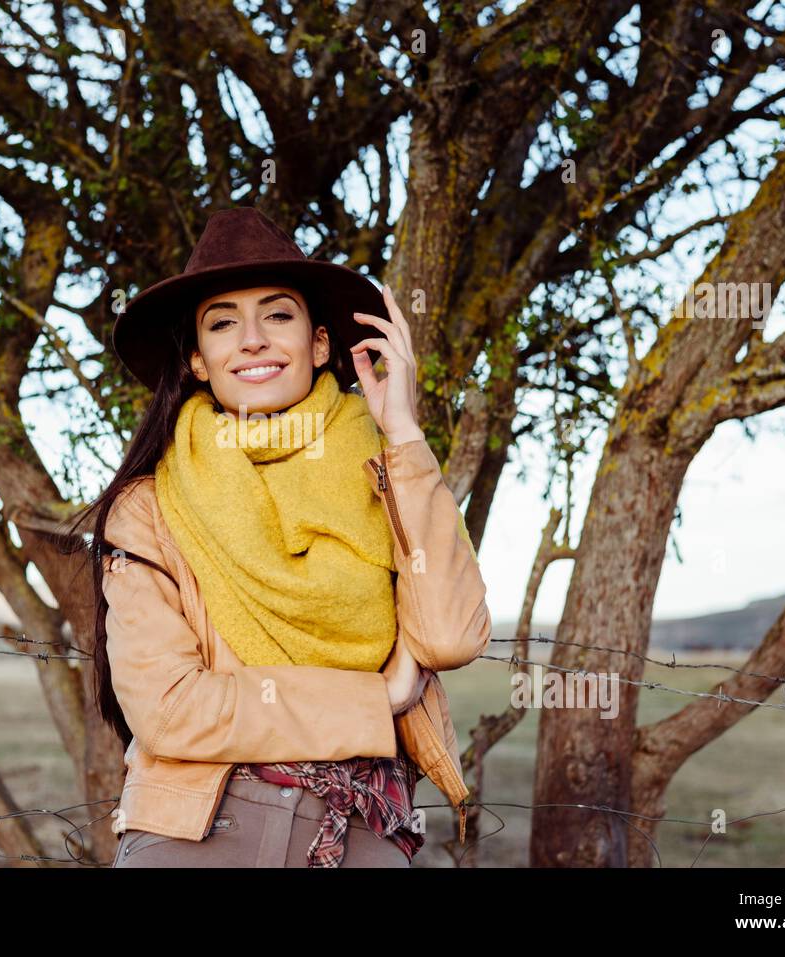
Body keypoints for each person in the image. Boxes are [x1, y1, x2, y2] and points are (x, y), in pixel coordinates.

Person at [63, 206, 492, 867]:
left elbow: (452, 635)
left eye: (278, 314)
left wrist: (404, 435)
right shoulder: (147, 508)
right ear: (199, 360)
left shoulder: (386, 477)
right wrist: (377, 697)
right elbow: (171, 709)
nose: (253, 338)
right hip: (200, 828)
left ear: (319, 344)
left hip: (361, 828)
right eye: (223, 322)